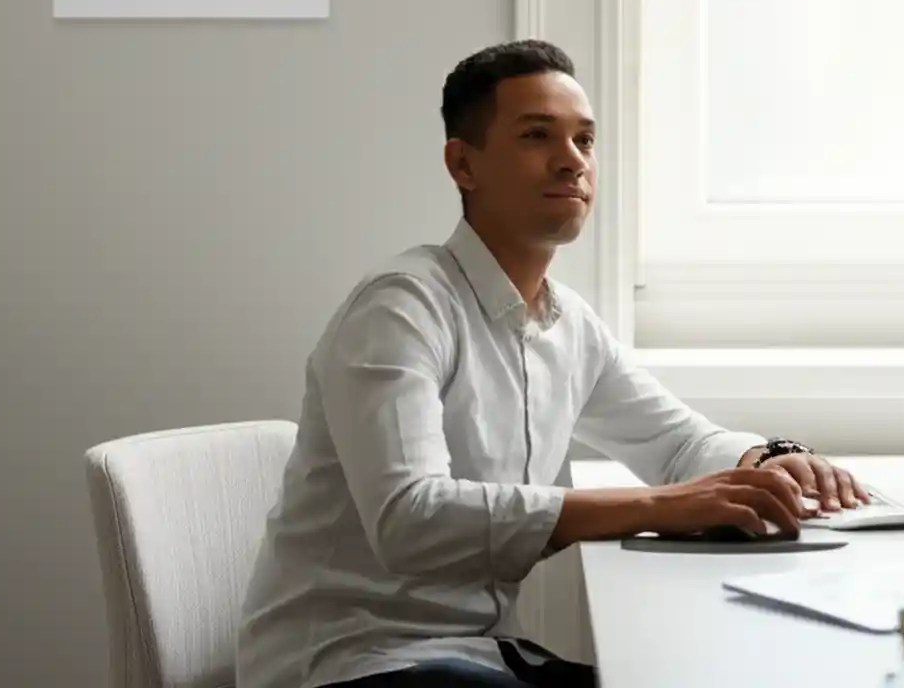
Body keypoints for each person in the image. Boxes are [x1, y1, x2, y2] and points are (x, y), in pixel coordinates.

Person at [236, 39, 870, 688]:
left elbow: (677, 443)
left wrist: (763, 461)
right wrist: (657, 505)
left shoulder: (565, 323)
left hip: (474, 656)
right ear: (464, 164)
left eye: (585, 141)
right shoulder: (400, 307)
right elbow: (411, 520)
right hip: (348, 665)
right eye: (538, 136)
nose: (572, 162)